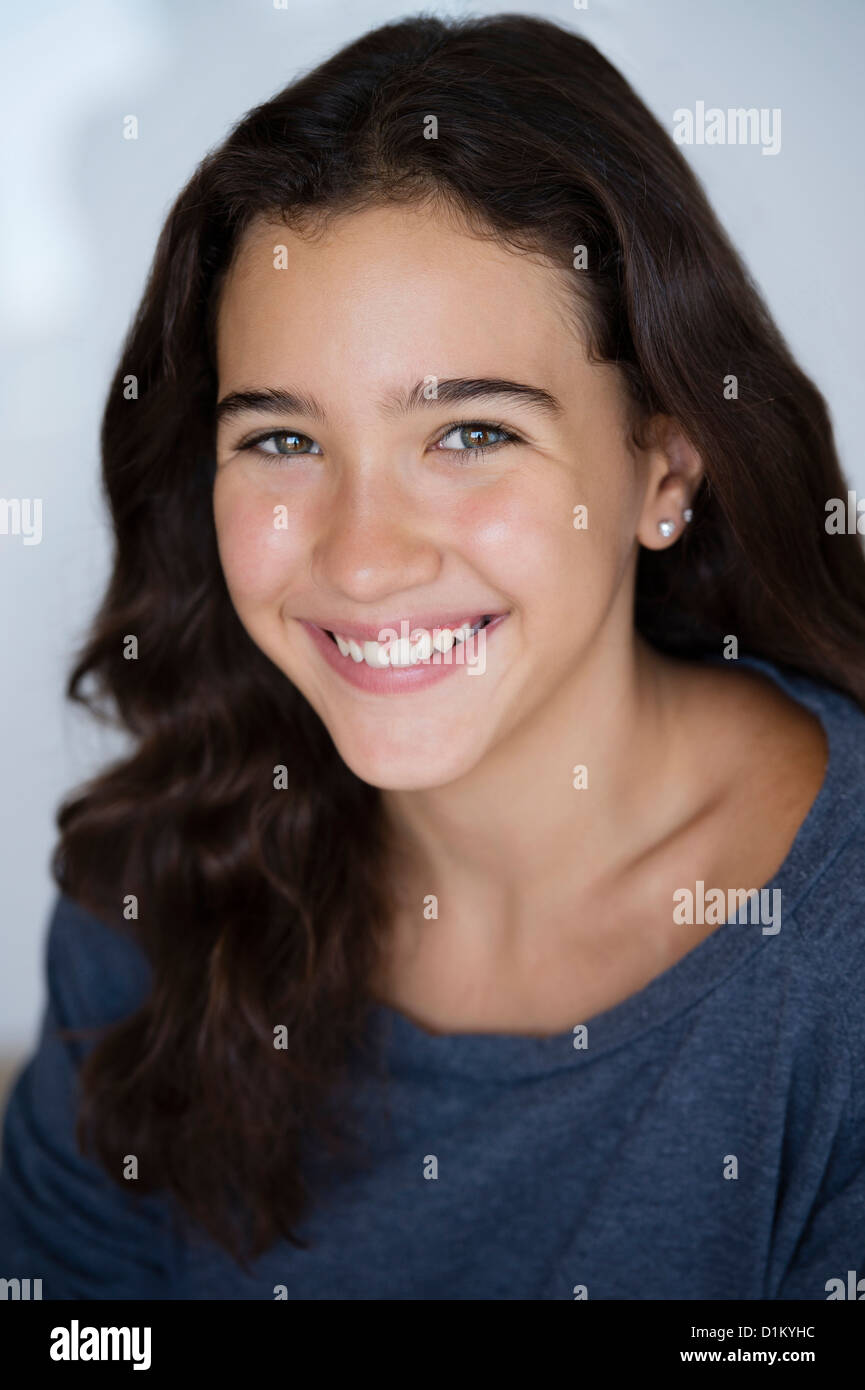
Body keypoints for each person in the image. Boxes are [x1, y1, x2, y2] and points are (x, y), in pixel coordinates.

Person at [1, 12, 864, 1300]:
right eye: (283, 441)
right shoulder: (155, 887)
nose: (361, 559)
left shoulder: (837, 973)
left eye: (470, 434)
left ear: (662, 470)